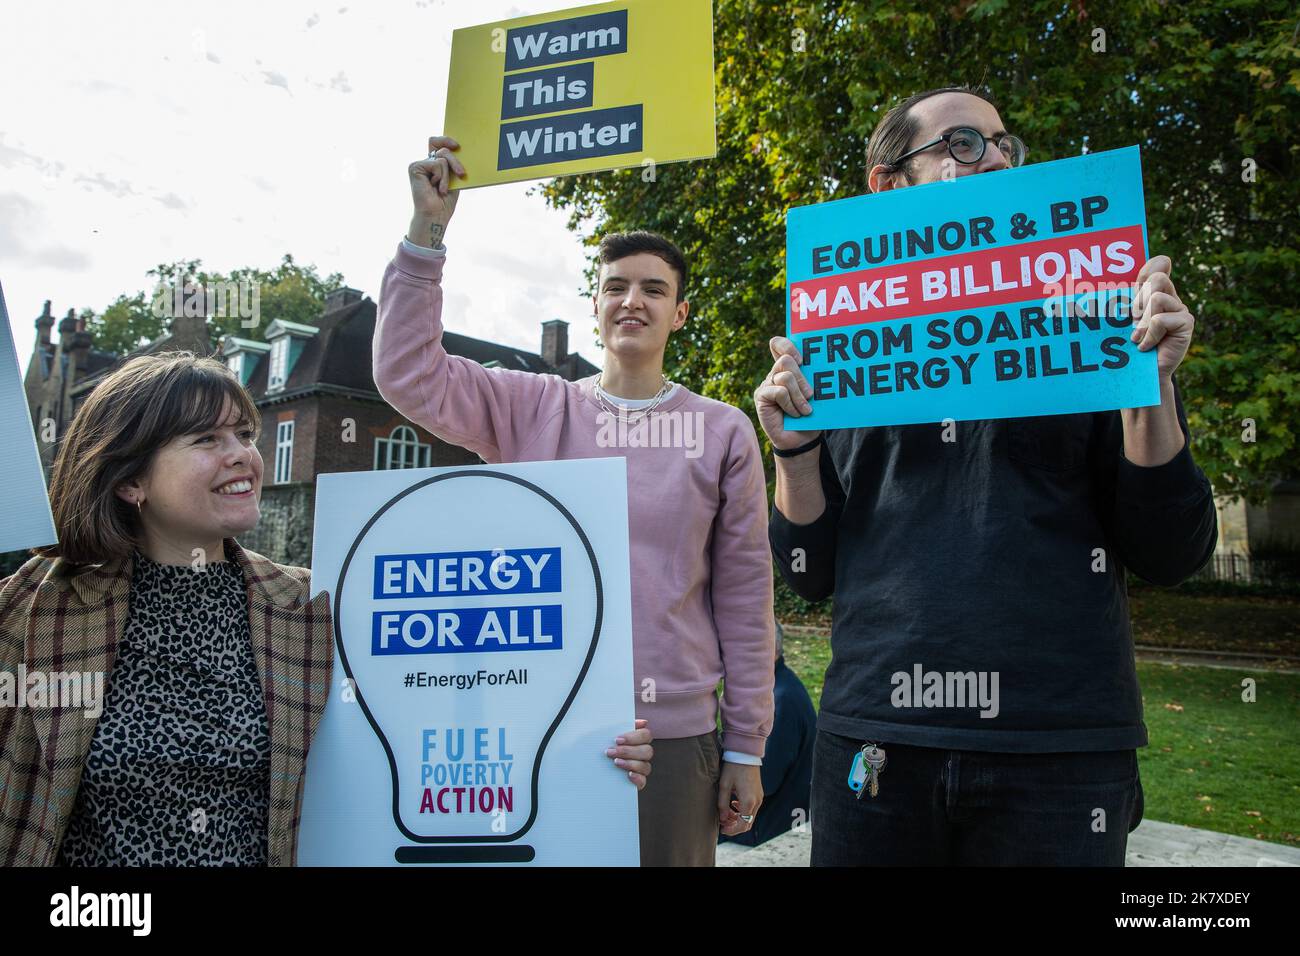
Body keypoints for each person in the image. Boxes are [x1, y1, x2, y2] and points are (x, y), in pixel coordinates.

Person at [757, 86, 1216, 866]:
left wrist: (1150, 387)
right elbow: (808, 573)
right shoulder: (843, 352)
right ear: (886, 183)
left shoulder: (1087, 322)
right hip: (878, 735)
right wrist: (793, 451)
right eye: (964, 143)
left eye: (1004, 142)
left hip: (1059, 748)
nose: (997, 156)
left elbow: (1172, 553)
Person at [0, 352, 653, 866]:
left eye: (245, 433)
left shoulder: (315, 606)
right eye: (206, 439)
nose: (244, 457)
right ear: (129, 479)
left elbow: (455, 706)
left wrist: (594, 755)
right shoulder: (37, 609)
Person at [372, 136, 776, 865]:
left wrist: (746, 744)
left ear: (679, 313)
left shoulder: (722, 431)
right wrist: (427, 230)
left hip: (672, 734)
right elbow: (407, 374)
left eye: (654, 289)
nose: (633, 300)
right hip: (532, 719)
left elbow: (746, 598)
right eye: (617, 285)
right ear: (594, 305)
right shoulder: (531, 406)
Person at [719, 622, 815, 847]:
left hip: (763, 832)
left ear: (769, 649)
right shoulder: (780, 687)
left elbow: (761, 781)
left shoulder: (780, 700)